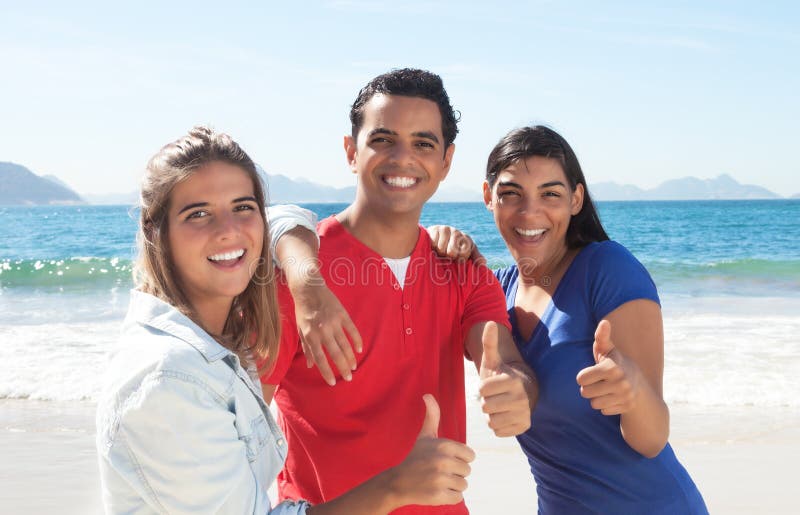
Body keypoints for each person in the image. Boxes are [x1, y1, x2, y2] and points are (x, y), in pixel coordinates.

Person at [95, 126, 480, 514]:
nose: (229, 231)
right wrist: (396, 487)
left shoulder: (214, 345)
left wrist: (307, 283)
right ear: (155, 230)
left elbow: (285, 217)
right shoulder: (170, 378)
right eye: (198, 214)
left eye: (242, 207)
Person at [261, 69, 538, 515]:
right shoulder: (296, 279)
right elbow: (238, 428)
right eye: (383, 139)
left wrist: (516, 389)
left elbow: (501, 358)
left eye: (423, 144)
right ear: (351, 152)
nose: (402, 158)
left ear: (446, 162)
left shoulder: (465, 272)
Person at [430, 125, 708, 514]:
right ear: (488, 197)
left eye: (550, 194)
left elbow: (652, 439)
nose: (530, 212)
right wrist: (432, 239)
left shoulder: (609, 269)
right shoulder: (496, 292)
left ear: (575, 199)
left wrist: (632, 389)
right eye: (511, 193)